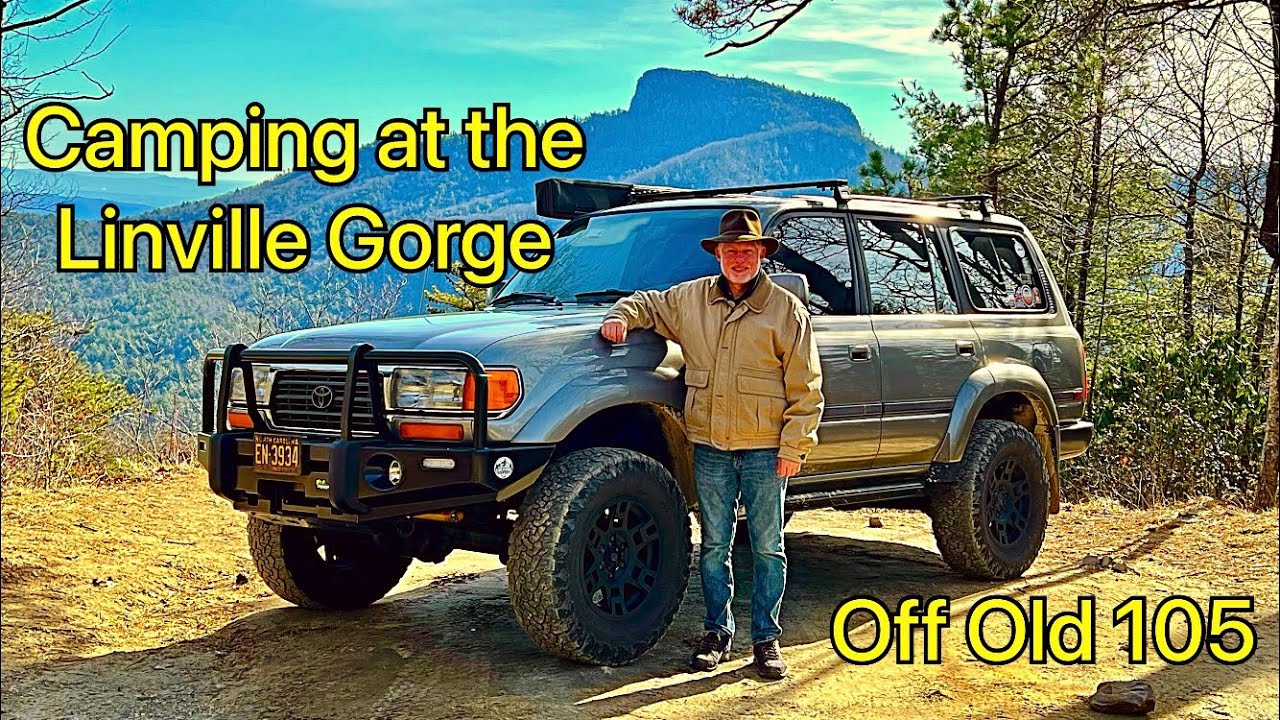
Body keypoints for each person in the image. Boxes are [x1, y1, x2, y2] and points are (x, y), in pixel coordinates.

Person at [600, 208, 823, 680]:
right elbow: (648, 303)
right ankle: (717, 632)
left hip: (766, 449)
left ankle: (766, 639)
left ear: (761, 254)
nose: (739, 259)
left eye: (748, 251)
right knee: (714, 545)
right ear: (718, 254)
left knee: (767, 548)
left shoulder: (787, 310)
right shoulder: (690, 299)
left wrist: (794, 447)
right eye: (731, 251)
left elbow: (807, 388)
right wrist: (619, 316)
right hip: (710, 446)